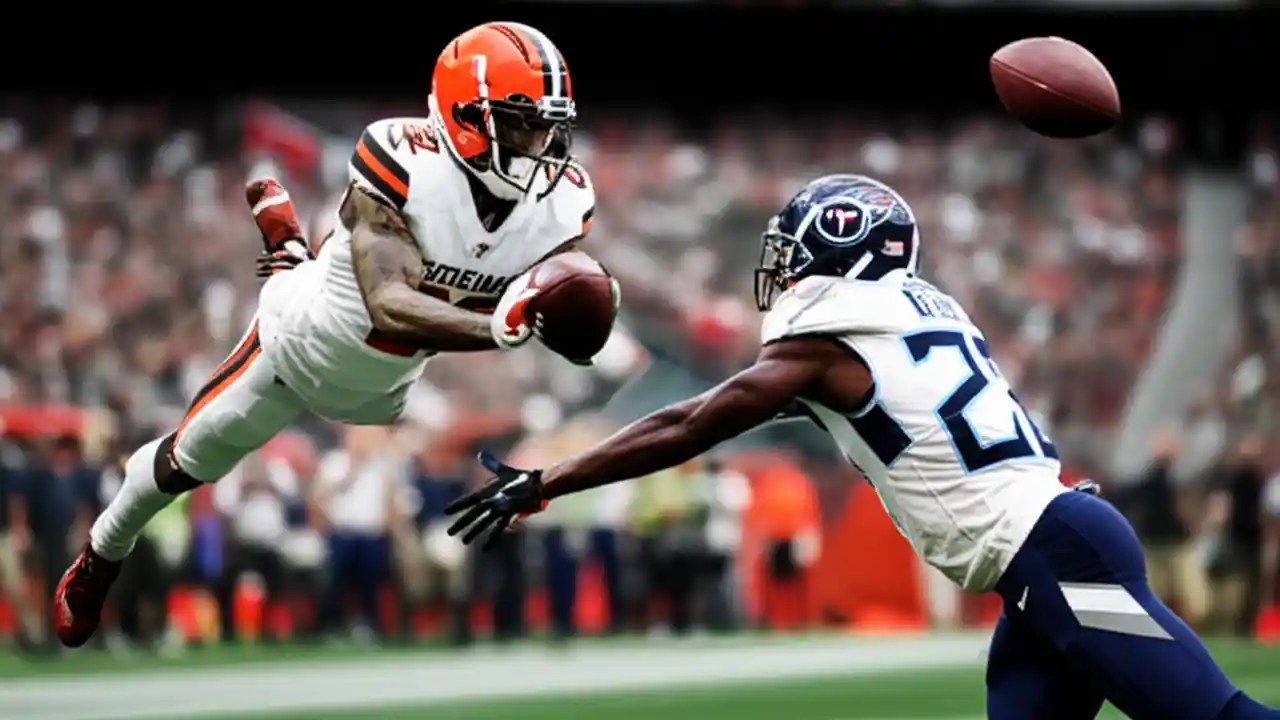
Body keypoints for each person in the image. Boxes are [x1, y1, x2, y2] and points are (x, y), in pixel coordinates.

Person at [446, 174, 1280, 720]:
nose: (779, 269)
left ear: (834, 252)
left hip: (1057, 557)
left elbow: (688, 422)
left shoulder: (826, 340)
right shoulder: (918, 312)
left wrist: (547, 479)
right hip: (1046, 555)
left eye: (794, 251)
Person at [53, 20, 609, 649]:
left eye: (547, 125)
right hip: (299, 344)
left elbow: (565, 310)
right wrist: (500, 326)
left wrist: (580, 322)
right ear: (462, 117)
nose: (539, 144)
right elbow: (390, 304)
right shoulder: (403, 159)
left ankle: (292, 246)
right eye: (519, 122)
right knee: (188, 458)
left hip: (384, 393)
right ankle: (102, 553)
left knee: (335, 295)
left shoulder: (563, 204)